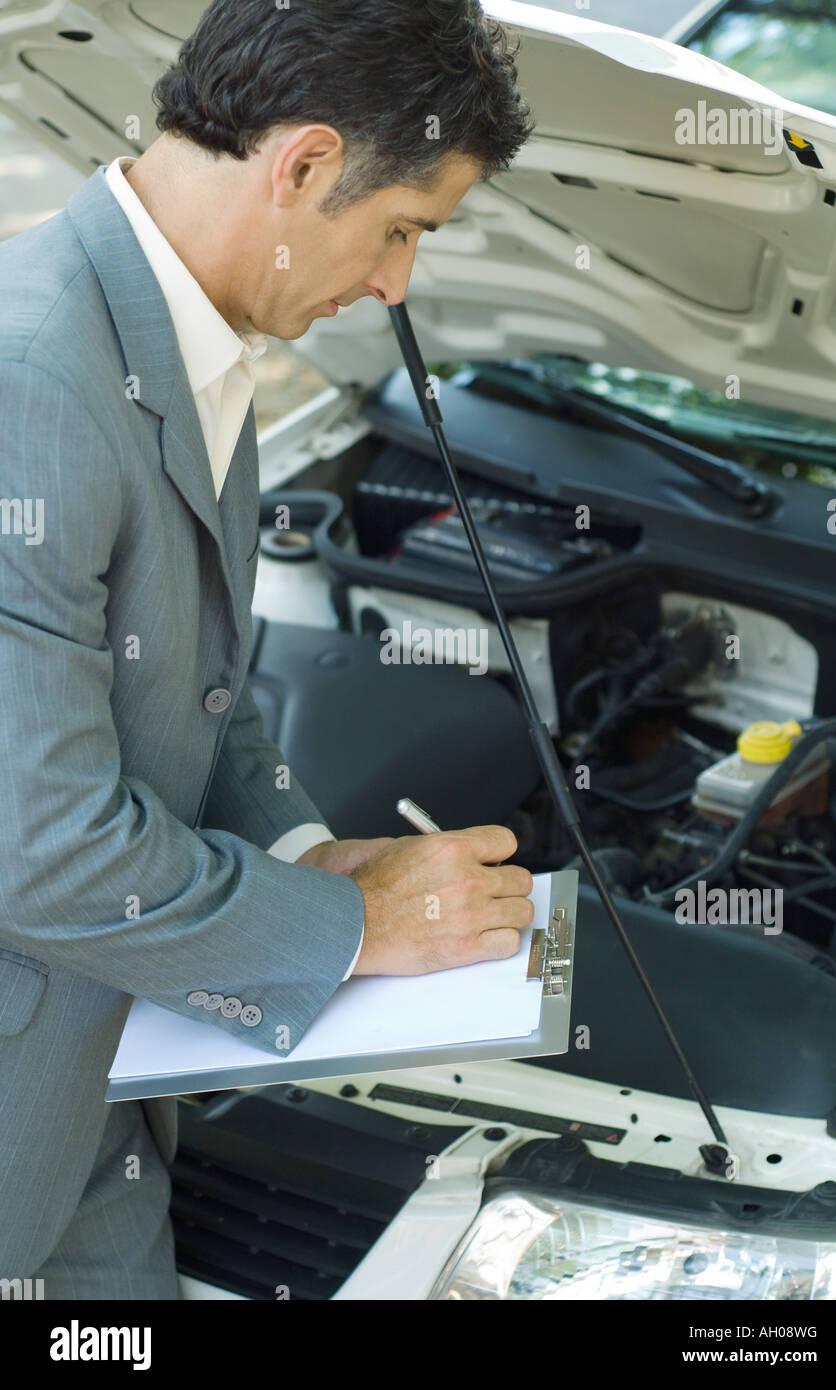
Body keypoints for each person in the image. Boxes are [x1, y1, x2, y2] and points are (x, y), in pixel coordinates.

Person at [0, 0, 535, 1299]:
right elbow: (42, 850)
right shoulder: (33, 379)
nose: (398, 284)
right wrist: (357, 925)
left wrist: (308, 856)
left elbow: (204, 689)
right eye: (403, 227)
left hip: (103, 1103)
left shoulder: (191, 340)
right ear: (303, 164)